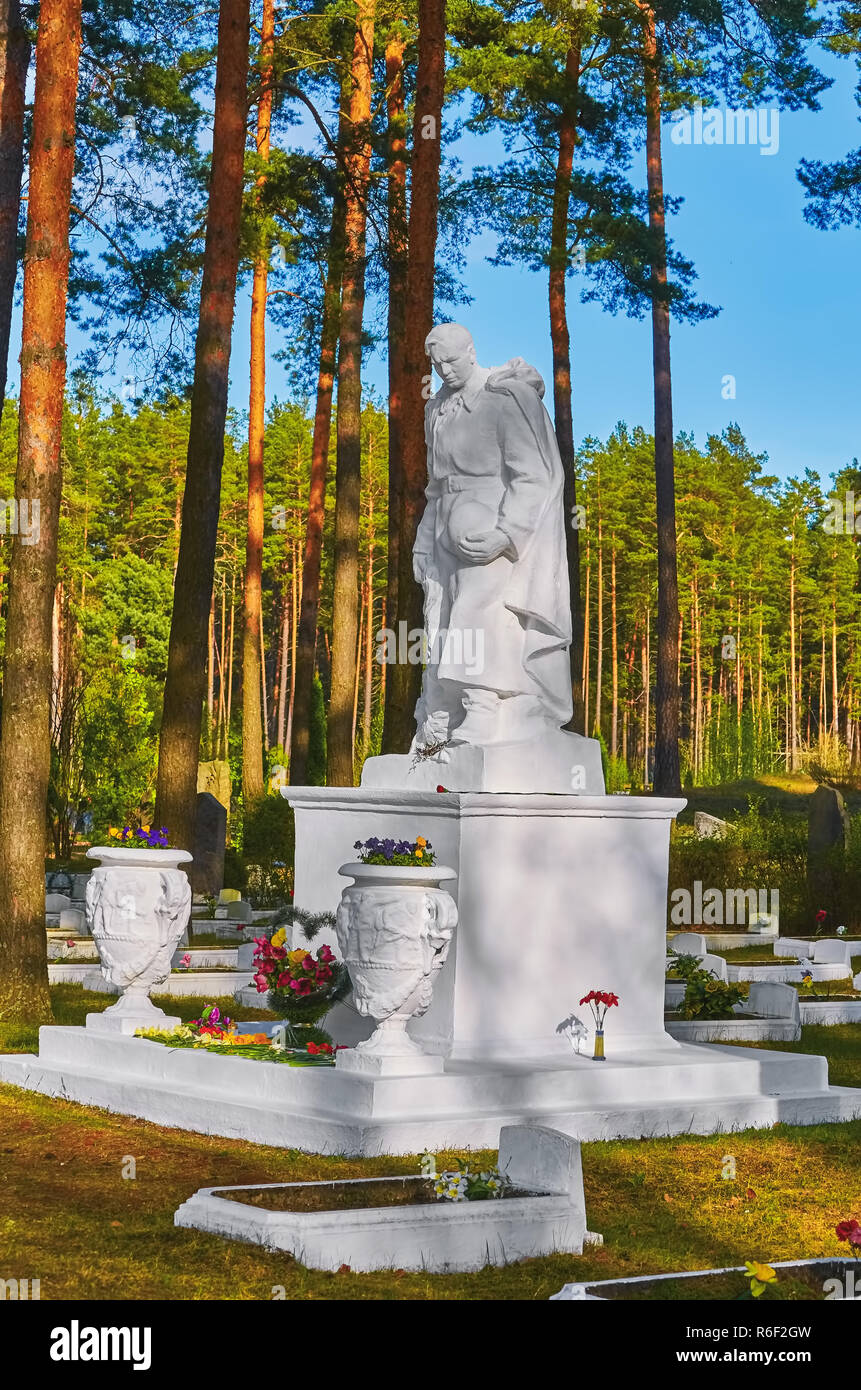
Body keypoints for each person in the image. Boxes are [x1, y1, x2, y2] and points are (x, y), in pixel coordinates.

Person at [412, 322, 573, 748]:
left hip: (491, 522)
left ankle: (484, 705)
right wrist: (422, 541)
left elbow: (535, 475)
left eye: (450, 360)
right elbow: (436, 485)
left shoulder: (504, 398)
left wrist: (507, 533)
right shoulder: (437, 410)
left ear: (471, 351)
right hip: (445, 523)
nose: (443, 370)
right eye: (436, 363)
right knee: (440, 620)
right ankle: (445, 710)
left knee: (478, 610)